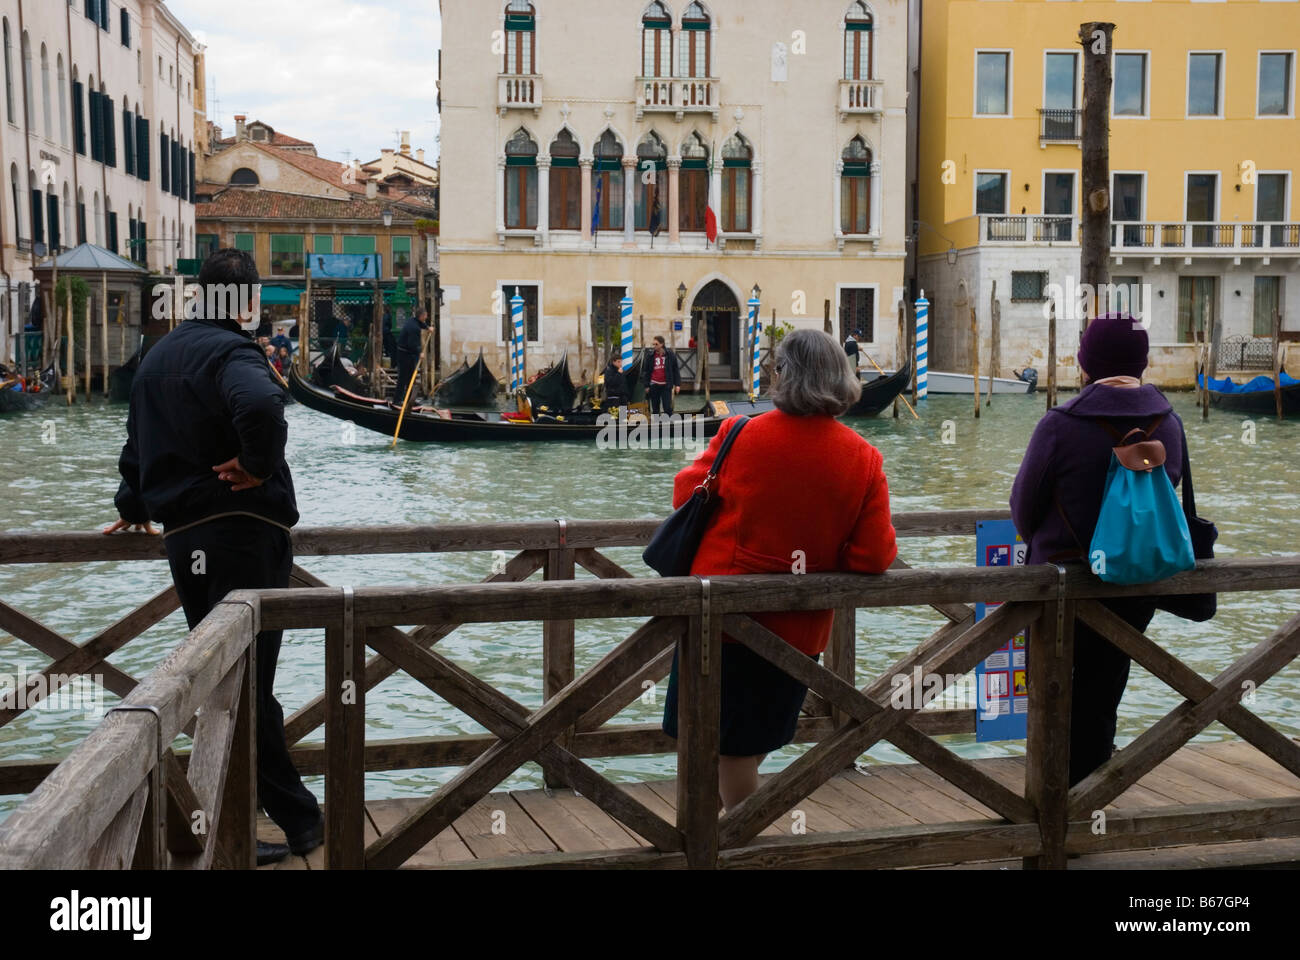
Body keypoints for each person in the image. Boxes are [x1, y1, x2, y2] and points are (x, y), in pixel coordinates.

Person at [105, 248, 323, 866]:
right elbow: (259, 407)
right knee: (243, 685)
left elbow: (136, 437)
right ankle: (280, 826)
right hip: (242, 535)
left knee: (232, 683)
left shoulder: (159, 355)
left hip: (186, 539)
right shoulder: (234, 352)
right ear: (247, 300)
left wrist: (133, 498)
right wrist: (255, 467)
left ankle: (263, 820)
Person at [661, 329, 898, 811]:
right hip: (797, 630)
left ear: (783, 374)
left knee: (722, 744)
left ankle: (732, 846)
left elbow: (686, 496)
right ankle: (723, 840)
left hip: (719, 620)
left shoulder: (740, 433)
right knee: (746, 744)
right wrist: (827, 559)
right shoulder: (864, 458)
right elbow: (874, 555)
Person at [1010, 313, 1189, 787]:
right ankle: (1088, 805)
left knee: (1051, 695)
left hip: (1062, 589)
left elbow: (1023, 508)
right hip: (1135, 585)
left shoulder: (1060, 423)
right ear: (1142, 362)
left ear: (1085, 362)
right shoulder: (1169, 423)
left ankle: (1050, 815)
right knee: (1103, 694)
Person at [396, 307, 430, 405]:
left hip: (408, 354)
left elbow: (421, 324)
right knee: (403, 378)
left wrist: (427, 328)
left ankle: (409, 400)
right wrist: (420, 353)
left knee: (411, 378)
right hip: (404, 354)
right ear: (422, 316)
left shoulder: (413, 320)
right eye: (426, 315)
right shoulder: (414, 328)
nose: (426, 317)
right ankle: (397, 400)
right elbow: (412, 344)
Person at [641, 335, 681, 416]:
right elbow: (646, 371)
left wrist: (677, 384)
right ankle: (656, 424)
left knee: (667, 408)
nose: (654, 346)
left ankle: (669, 424)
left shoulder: (670, 355)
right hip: (654, 384)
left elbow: (675, 370)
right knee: (655, 408)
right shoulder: (650, 356)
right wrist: (646, 386)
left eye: (656, 344)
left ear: (662, 344)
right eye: (653, 344)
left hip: (666, 385)